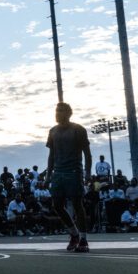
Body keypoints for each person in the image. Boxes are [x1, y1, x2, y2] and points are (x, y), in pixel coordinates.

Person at [45, 102, 92, 252]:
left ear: (69, 113)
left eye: (61, 111)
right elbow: (51, 155)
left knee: (77, 204)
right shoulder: (52, 131)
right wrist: (47, 176)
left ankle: (83, 239)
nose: (57, 113)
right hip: (58, 172)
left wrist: (88, 172)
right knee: (57, 206)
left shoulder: (78, 130)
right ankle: (74, 233)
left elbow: (87, 154)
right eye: (56, 111)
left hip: (74, 171)